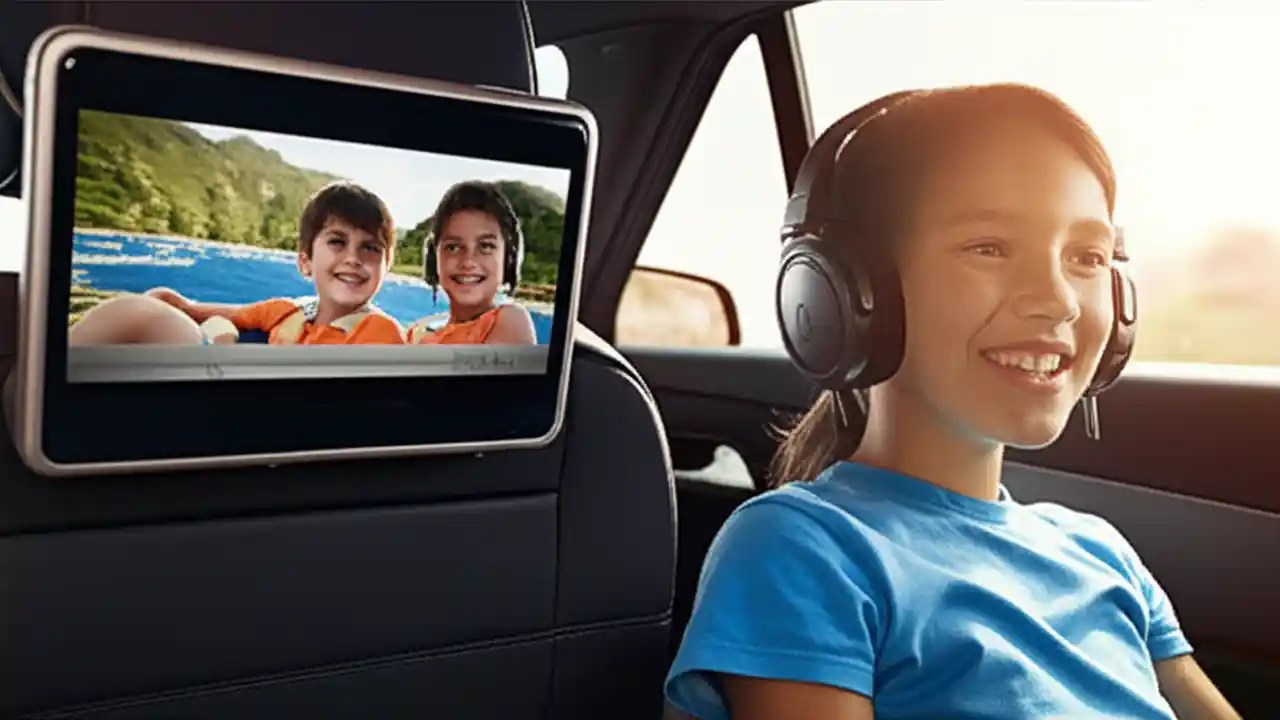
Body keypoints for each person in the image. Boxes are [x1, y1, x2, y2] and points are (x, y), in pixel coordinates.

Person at [664, 84, 1240, 720]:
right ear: (851, 294)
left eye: (1086, 256)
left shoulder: (1101, 552)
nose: (1058, 299)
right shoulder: (804, 548)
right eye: (988, 248)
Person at [69, 181, 405, 346]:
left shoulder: (379, 331)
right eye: (337, 242)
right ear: (305, 262)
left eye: (371, 248)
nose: (353, 258)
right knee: (134, 311)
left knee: (136, 316)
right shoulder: (288, 311)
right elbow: (236, 314)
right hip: (225, 376)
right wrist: (182, 304)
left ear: (385, 268)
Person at [405, 180, 537, 345]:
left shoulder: (510, 319)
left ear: (508, 258)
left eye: (486, 246)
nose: (468, 261)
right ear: (434, 257)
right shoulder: (417, 332)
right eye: (453, 247)